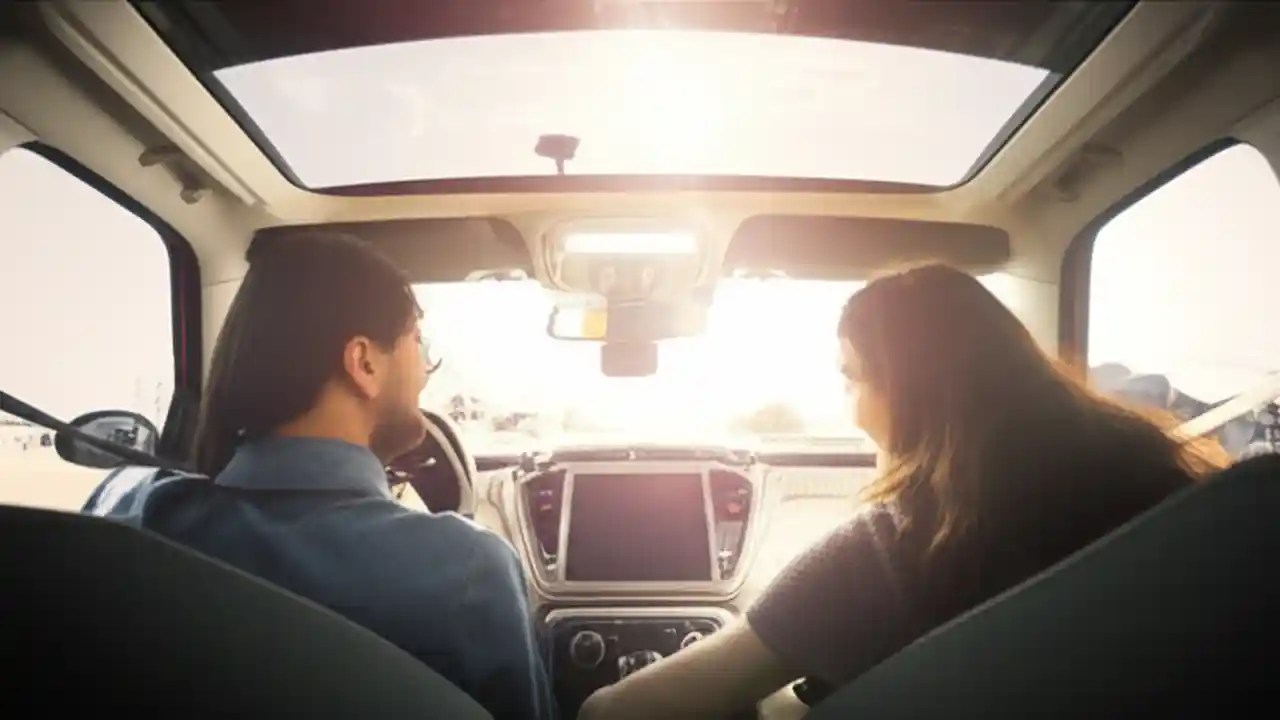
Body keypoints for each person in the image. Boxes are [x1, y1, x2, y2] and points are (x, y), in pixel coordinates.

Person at [579, 263, 1225, 719]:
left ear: (912, 393)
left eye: (852, 378)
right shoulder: (1173, 497)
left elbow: (615, 712)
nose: (850, 408)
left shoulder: (897, 549)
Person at [83, 233, 556, 720]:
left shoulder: (130, 510)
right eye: (418, 340)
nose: (426, 369)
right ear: (364, 363)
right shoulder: (469, 569)